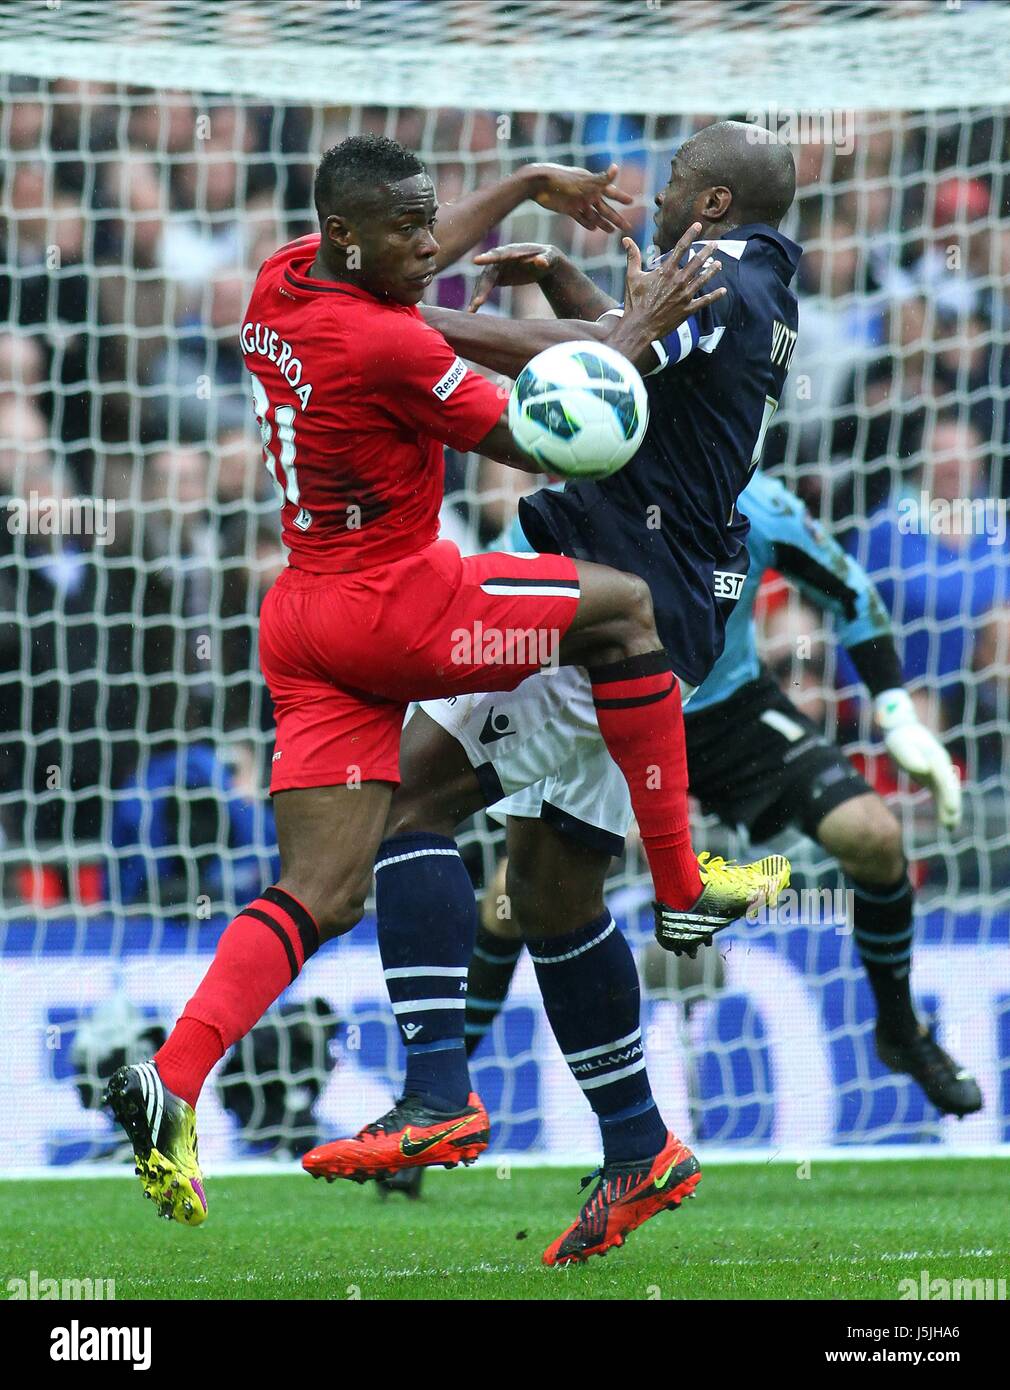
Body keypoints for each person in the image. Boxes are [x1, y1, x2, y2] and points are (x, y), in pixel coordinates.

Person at [104, 134, 773, 1226]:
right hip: (403, 607)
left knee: (327, 888)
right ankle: (676, 888)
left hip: (303, 618)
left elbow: (412, 263)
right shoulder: (388, 348)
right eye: (409, 230)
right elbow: (555, 434)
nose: (430, 247)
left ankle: (172, 1077)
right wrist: (628, 331)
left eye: (430, 222)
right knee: (620, 614)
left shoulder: (282, 278)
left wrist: (523, 185)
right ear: (346, 236)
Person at [302, 121, 801, 1266]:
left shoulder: (715, 273)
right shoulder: (756, 282)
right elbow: (642, 366)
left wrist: (404, 328)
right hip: (661, 606)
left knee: (403, 801)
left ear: (711, 204)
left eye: (672, 184)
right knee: (550, 889)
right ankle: (638, 1146)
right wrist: (562, 281)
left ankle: (435, 1091)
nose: (656, 198)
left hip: (598, 604)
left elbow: (595, 365)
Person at [440, 473, 979, 1184]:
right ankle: (444, 1096)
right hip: (606, 718)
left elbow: (849, 591)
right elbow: (500, 617)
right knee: (514, 897)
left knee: (874, 837)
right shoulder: (565, 510)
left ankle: (901, 1030)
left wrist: (896, 711)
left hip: (727, 715)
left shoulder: (755, 505)